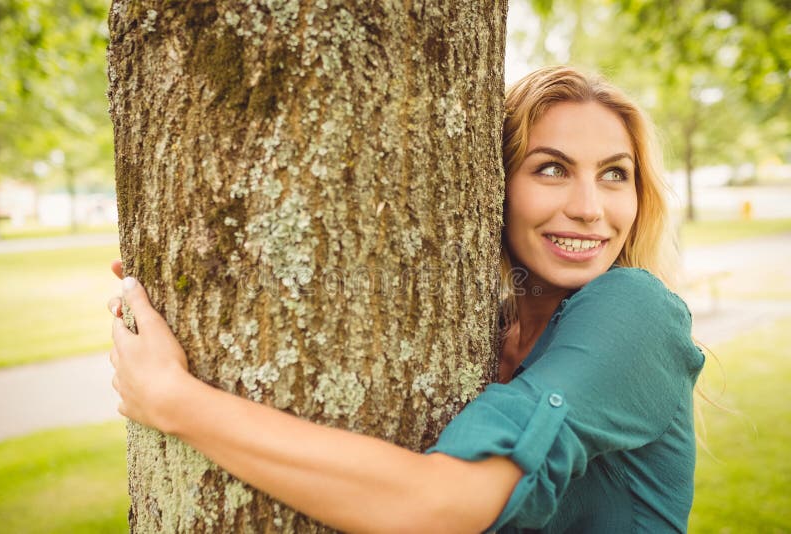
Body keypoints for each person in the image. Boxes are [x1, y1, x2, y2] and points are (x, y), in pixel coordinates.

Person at [107, 66, 704, 533]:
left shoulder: (636, 311)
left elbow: (439, 506)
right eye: (551, 169)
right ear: (490, 184)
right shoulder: (484, 327)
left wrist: (172, 400)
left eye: (614, 174)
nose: (589, 208)